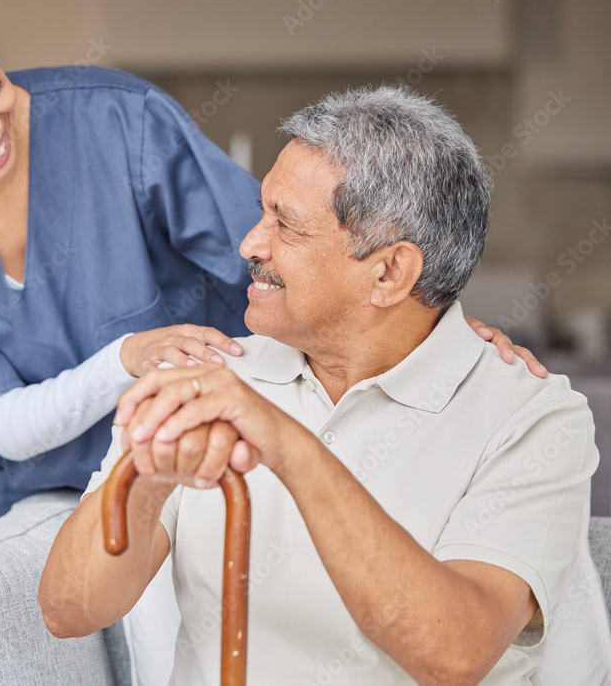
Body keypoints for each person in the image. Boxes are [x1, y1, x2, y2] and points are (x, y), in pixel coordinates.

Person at [0, 0, 539, 518]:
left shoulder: (117, 123)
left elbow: (298, 261)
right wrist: (126, 356)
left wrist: (443, 337)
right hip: (55, 499)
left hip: (228, 453)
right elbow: (0, 427)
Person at [39, 87, 602, 683]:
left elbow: (456, 654)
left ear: (389, 272)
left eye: (287, 226)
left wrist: (288, 445)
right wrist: (147, 484)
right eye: (262, 211)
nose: (250, 244)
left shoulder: (533, 418)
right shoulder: (202, 379)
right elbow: (67, 611)